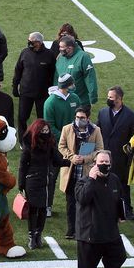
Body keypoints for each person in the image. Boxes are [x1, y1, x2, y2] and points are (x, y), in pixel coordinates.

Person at [75, 150, 127, 268]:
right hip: (89, 234)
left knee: (119, 257)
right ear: (94, 164)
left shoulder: (114, 179)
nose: (104, 165)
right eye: (101, 162)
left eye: (106, 162)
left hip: (110, 230)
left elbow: (119, 198)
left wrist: (121, 214)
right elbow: (83, 198)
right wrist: (91, 179)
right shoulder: (83, 182)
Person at [18, 119, 70, 249]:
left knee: (42, 210)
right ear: (37, 131)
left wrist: (71, 161)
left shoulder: (50, 144)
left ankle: (38, 235)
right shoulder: (29, 145)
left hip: (45, 181)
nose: (45, 133)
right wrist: (21, 184)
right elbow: (23, 166)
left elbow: (57, 160)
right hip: (32, 182)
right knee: (33, 209)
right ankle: (31, 236)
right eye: (43, 131)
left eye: (47, 131)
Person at [59, 107, 104, 239]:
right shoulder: (67, 129)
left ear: (88, 118)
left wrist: (86, 158)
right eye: (77, 117)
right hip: (71, 172)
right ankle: (71, 229)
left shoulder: (96, 130)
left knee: (86, 202)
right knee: (71, 203)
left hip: (86, 171)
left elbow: (100, 149)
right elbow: (61, 146)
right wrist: (72, 157)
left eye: (82, 118)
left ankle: (86, 228)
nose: (79, 120)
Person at [43, 74, 83, 216]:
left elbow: (80, 119)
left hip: (75, 145)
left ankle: (78, 204)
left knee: (76, 176)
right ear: (68, 85)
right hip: (56, 146)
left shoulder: (75, 99)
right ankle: (47, 206)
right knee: (52, 176)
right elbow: (50, 126)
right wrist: (66, 138)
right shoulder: (50, 102)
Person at [97, 86, 134, 220]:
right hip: (104, 156)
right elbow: (97, 133)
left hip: (121, 158)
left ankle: (126, 210)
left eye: (111, 97)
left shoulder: (131, 116)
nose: (108, 99)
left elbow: (133, 139)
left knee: (123, 186)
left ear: (119, 99)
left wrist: (129, 156)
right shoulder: (102, 113)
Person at [13, 31, 54, 134]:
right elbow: (18, 70)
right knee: (22, 117)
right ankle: (23, 140)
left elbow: (53, 74)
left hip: (43, 93)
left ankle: (42, 137)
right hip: (26, 92)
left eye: (31, 41)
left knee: (42, 118)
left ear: (38, 42)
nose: (29, 43)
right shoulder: (25, 52)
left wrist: (52, 89)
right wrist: (15, 86)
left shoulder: (49, 54)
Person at [55, 35, 98, 111]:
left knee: (80, 122)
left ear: (70, 48)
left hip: (80, 102)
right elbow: (57, 77)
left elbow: (90, 78)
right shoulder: (60, 58)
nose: (59, 49)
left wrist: (93, 98)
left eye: (62, 47)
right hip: (64, 101)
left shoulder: (83, 57)